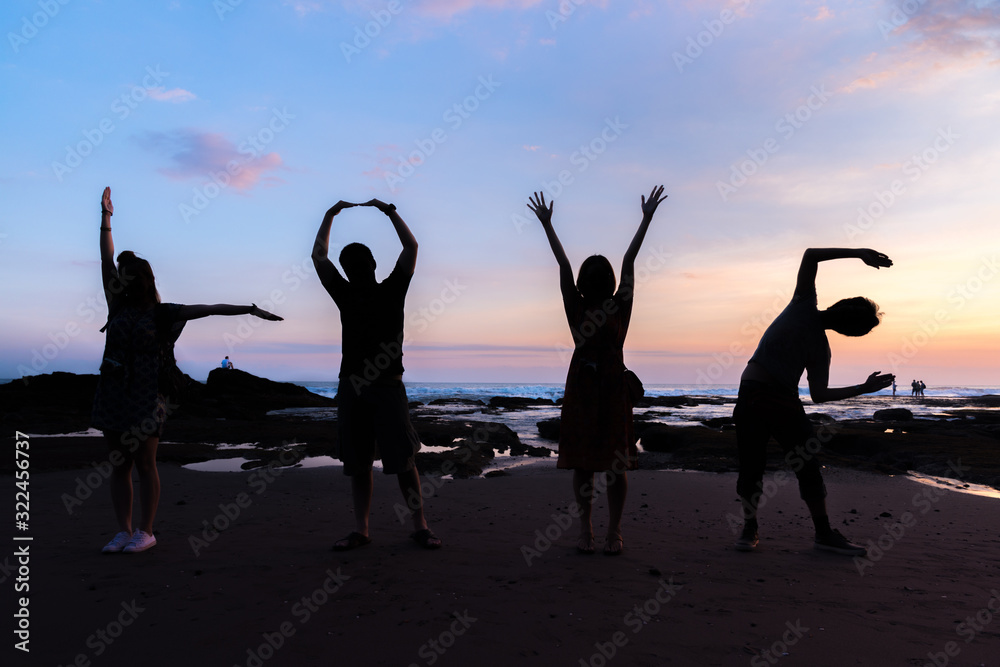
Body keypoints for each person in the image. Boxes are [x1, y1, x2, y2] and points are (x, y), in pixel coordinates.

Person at [93, 187, 283, 554]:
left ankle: (145, 531)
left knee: (145, 463)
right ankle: (122, 530)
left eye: (124, 276)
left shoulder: (162, 312)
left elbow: (209, 307)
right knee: (118, 463)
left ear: (140, 280)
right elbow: (105, 260)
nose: (117, 279)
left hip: (148, 394)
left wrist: (250, 309)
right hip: (113, 391)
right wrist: (106, 219)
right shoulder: (116, 305)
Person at [527, 186, 667, 556]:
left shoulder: (622, 306)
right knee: (584, 466)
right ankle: (586, 529)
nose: (595, 276)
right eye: (591, 273)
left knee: (616, 467)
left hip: (612, 389)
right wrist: (547, 226)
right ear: (585, 282)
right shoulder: (574, 304)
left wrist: (647, 219)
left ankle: (614, 531)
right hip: (583, 391)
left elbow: (629, 260)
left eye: (598, 272)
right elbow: (562, 265)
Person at [733, 248, 894, 556]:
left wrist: (859, 253)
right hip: (769, 399)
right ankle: (819, 533)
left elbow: (810, 256)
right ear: (850, 332)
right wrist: (864, 387)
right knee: (801, 465)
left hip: (756, 393)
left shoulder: (804, 307)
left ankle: (751, 529)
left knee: (755, 465)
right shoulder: (807, 313)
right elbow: (819, 395)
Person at [312, 198, 441, 551]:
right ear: (367, 265)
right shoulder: (377, 290)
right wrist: (388, 211)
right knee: (369, 462)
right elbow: (411, 247)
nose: (357, 266)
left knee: (392, 461)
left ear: (365, 265)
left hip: (375, 388)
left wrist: (330, 214)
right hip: (368, 389)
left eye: (355, 262)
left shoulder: (373, 291)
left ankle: (395, 527)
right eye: (353, 263)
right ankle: (387, 529)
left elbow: (318, 257)